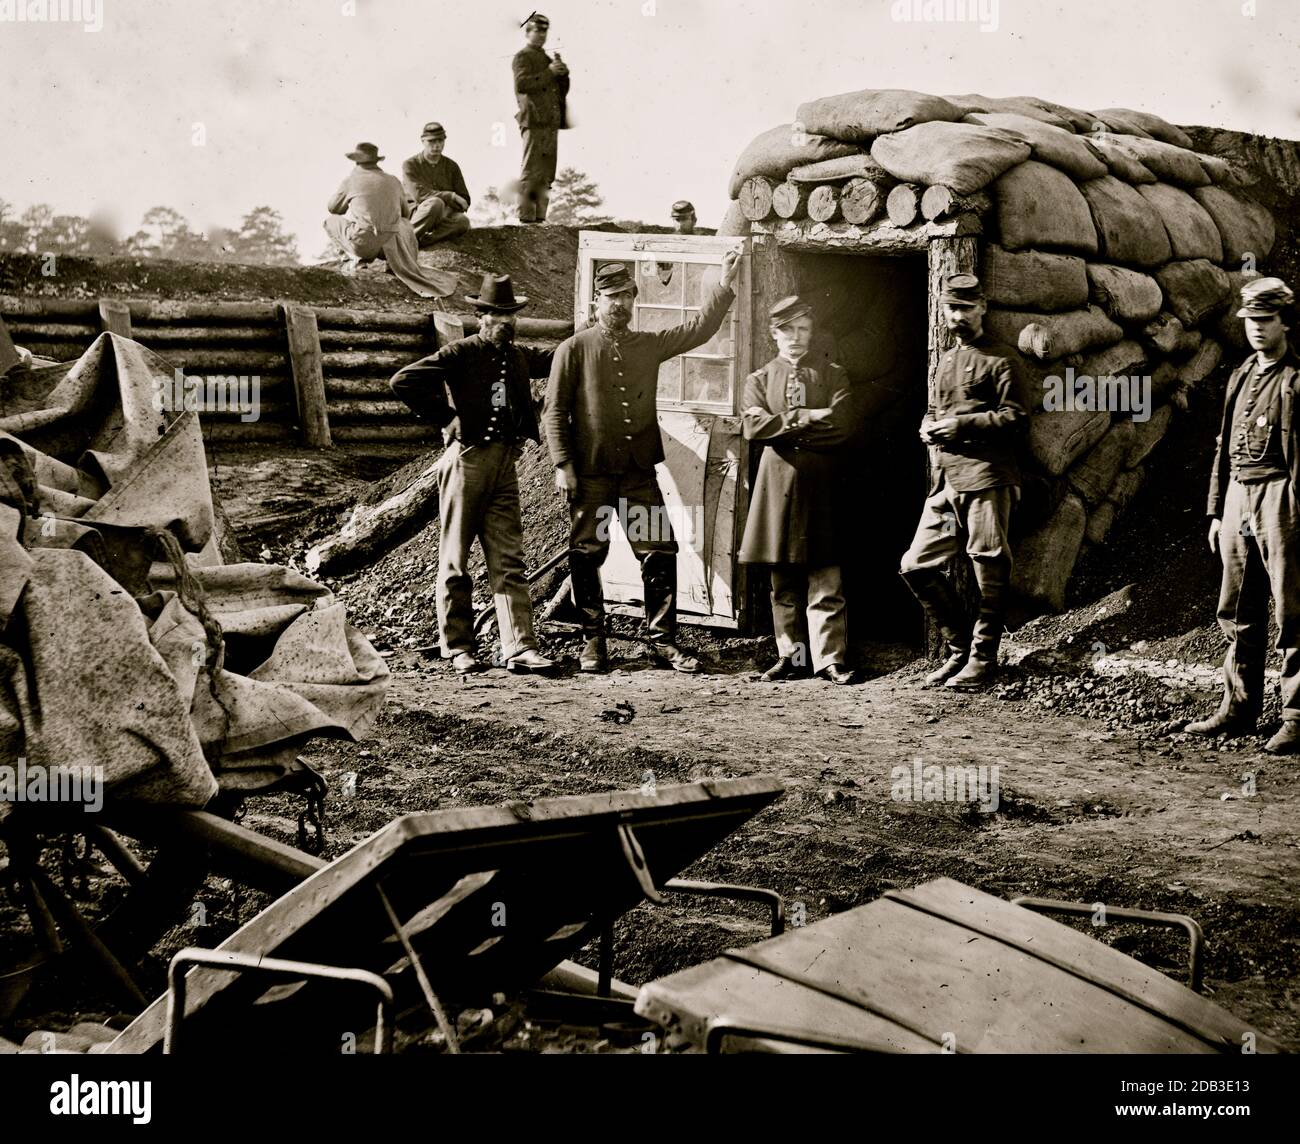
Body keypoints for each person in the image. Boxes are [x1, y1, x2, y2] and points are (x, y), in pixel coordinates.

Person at [544, 252, 741, 674]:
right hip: (591, 476)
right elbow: (554, 413)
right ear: (596, 302)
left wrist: (722, 285)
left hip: (637, 476)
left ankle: (663, 642)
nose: (619, 303)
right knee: (587, 553)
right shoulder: (573, 349)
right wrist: (563, 464)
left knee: (657, 552)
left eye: (626, 296)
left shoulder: (648, 346)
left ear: (634, 300)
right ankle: (592, 642)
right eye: (611, 296)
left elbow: (698, 329)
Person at [389, 273, 557, 676]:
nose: (506, 322)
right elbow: (402, 380)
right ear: (480, 316)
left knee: (508, 557)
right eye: (498, 315)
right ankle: (459, 646)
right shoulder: (460, 353)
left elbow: (558, 357)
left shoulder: (518, 356)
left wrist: (589, 336)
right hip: (466, 461)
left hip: (505, 465)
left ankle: (519, 647)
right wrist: (447, 417)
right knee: (455, 559)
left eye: (511, 315)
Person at [1187, 276, 1300, 754]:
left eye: (1265, 320)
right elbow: (1222, 448)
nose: (1256, 328)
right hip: (1238, 494)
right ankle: (1238, 706)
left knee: (1292, 609)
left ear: (1285, 322)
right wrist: (1216, 511)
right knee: (1236, 607)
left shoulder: (1295, 380)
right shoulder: (1239, 375)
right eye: (1250, 320)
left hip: (1281, 495)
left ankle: (1295, 715)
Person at [899, 272, 1027, 690]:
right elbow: (937, 412)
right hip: (945, 481)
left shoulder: (1002, 359)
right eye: (951, 308)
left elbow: (1017, 418)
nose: (957, 317)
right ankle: (958, 651)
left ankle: (983, 659)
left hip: (986, 478)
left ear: (982, 308)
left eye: (966, 309)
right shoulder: (947, 361)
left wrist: (961, 426)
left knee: (990, 568)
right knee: (915, 565)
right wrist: (927, 426)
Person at [739, 297, 854, 684]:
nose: (796, 338)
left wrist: (782, 427)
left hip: (821, 487)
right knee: (783, 580)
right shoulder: (758, 380)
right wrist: (806, 416)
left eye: (803, 329)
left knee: (826, 577)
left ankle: (829, 660)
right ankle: (793, 657)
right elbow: (753, 429)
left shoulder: (833, 374)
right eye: (788, 330)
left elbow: (841, 426)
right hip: (779, 489)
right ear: (775, 334)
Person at [324, 142, 457, 299]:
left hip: (363, 245)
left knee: (330, 221)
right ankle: (390, 263)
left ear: (357, 162)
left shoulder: (351, 180)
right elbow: (405, 214)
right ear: (376, 162)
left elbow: (334, 209)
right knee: (402, 223)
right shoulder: (393, 181)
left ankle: (353, 261)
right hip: (389, 248)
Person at [512, 12, 568, 224]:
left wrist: (563, 75)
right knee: (531, 170)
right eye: (537, 31)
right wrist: (550, 73)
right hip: (533, 120)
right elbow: (522, 84)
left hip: (549, 122)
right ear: (528, 32)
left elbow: (559, 91)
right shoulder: (523, 57)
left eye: (544, 32)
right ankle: (526, 219)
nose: (542, 35)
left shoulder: (545, 59)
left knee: (546, 173)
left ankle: (539, 218)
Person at [401, 122, 471, 247]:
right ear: (423, 141)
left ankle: (424, 241)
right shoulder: (410, 165)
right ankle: (404, 241)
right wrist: (451, 196)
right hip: (417, 214)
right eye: (431, 141)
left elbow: (464, 199)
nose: (436, 145)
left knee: (462, 221)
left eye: (440, 140)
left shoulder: (452, 166)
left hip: (443, 215)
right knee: (435, 203)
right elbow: (419, 195)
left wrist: (450, 206)